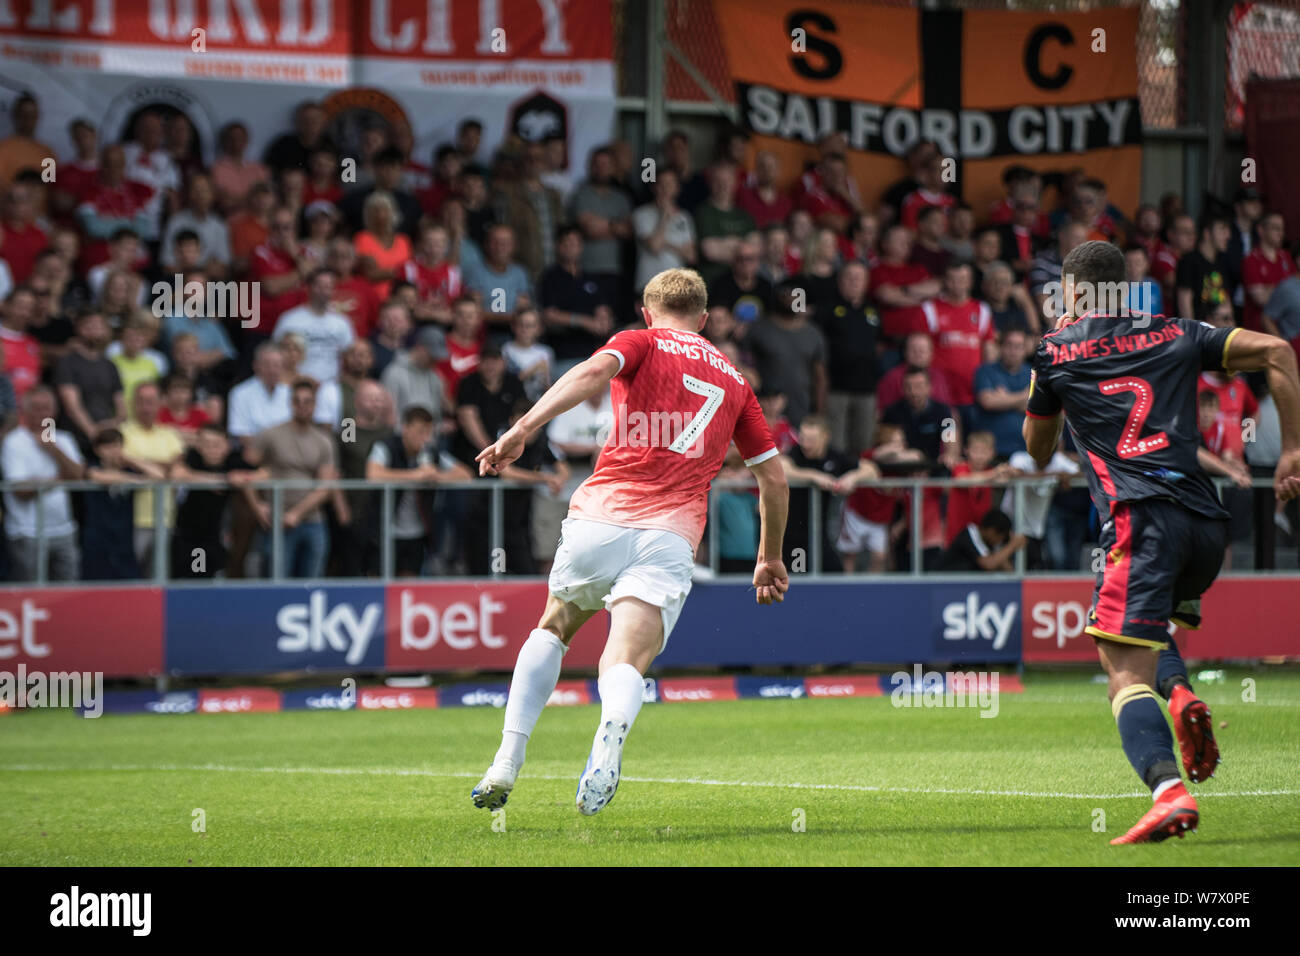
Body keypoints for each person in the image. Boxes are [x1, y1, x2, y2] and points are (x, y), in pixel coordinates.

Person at [470, 268, 788, 816]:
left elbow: (593, 372)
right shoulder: (736, 381)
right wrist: (769, 557)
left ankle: (506, 759)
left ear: (647, 311)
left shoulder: (639, 340)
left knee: (555, 625)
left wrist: (523, 428)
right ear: (706, 319)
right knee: (625, 660)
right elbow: (774, 479)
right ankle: (609, 737)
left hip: (603, 516)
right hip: (671, 533)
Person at [1022, 239, 1300, 844]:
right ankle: (1179, 697)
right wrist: (1294, 451)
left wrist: (1051, 374)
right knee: (1143, 631)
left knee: (1120, 668)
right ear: (1125, 289)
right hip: (1204, 523)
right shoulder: (1176, 330)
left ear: (1071, 290)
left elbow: (1038, 449)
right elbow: (1278, 350)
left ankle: (1167, 792)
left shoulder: (1056, 351)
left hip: (1139, 520)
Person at [243, 378, 345, 579]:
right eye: (298, 401)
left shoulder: (324, 441)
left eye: (308, 401)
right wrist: (257, 505)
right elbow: (246, 472)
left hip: (314, 520)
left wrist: (296, 514)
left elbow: (326, 485)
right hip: (278, 520)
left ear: (315, 405)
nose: (303, 406)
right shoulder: (270, 434)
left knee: (312, 582)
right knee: (277, 581)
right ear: (291, 403)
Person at [365, 404, 470, 576]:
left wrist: (436, 477)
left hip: (416, 533)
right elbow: (373, 475)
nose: (425, 438)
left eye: (429, 432)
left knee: (409, 585)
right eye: (420, 431)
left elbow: (465, 474)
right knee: (377, 581)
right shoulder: (385, 446)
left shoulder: (431, 453)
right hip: (383, 531)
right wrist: (415, 476)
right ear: (405, 428)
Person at [1, 386, 85, 580]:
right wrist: (60, 478)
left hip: (64, 529)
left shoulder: (64, 439)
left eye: (46, 408)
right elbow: (21, 490)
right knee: (31, 592)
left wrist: (53, 450)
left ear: (54, 412)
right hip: (27, 531)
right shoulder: (14, 442)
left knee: (68, 593)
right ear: (26, 412)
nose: (42, 413)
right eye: (36, 408)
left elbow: (79, 476)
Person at [940, 508, 1025, 571]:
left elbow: (1008, 570)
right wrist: (1012, 545)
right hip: (941, 584)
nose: (999, 542)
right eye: (1001, 538)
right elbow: (988, 564)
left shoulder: (989, 544)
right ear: (992, 531)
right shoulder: (971, 534)